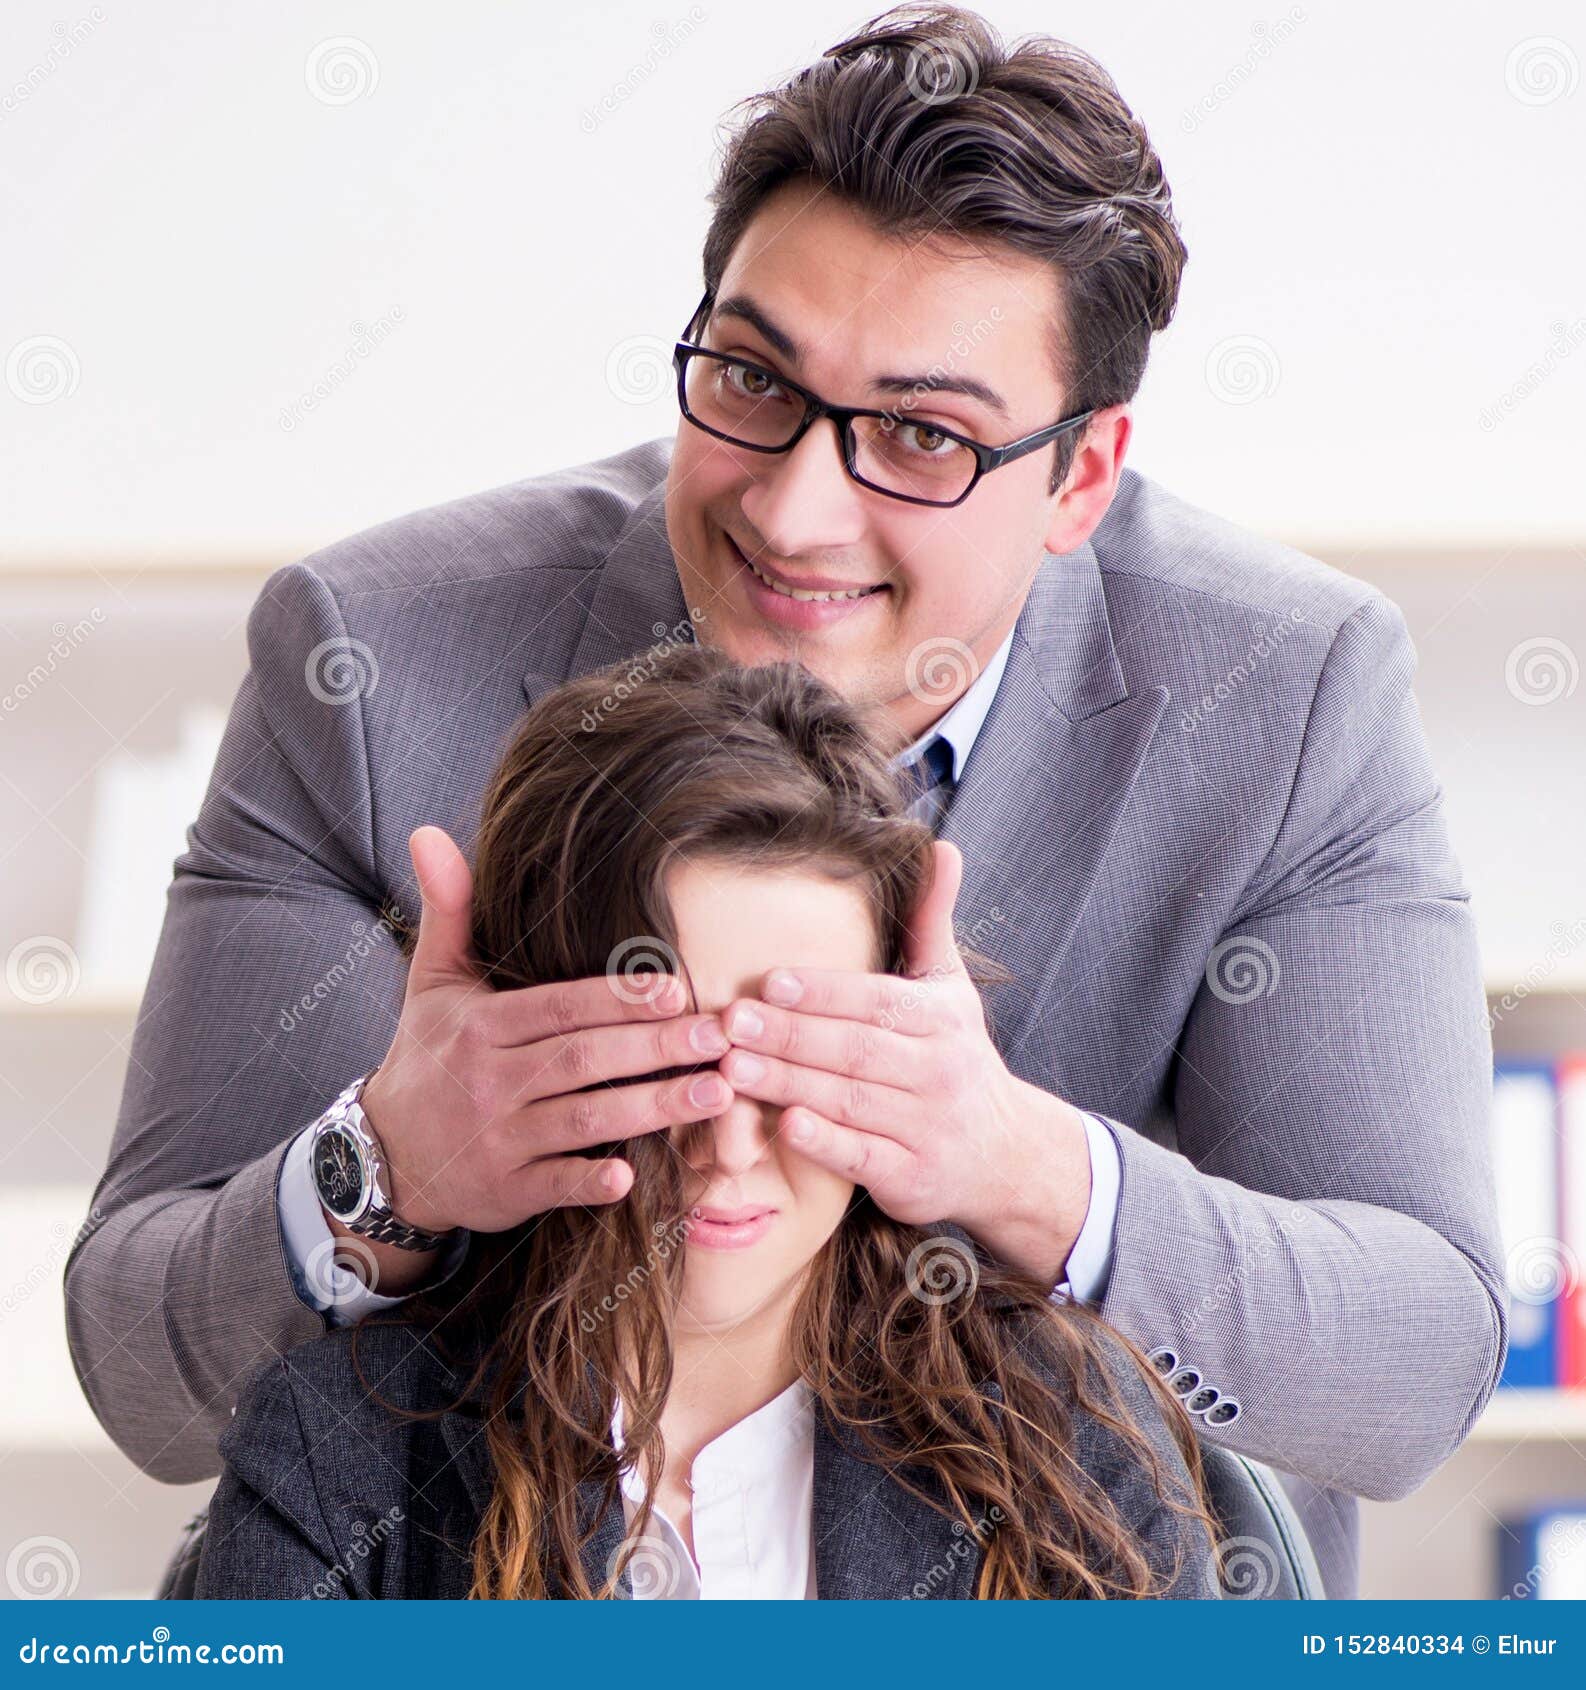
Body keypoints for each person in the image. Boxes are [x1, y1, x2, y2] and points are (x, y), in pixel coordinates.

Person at [67, 5, 1504, 1601]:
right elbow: (144, 1375)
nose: (793, 506)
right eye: (752, 378)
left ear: (1083, 477)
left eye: (920, 434)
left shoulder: (1282, 702)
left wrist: (1016, 1166)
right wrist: (380, 1169)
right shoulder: (374, 663)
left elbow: (1413, 1365)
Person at [194, 643, 1222, 1600]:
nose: (726, 1146)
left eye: (794, 1054)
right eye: (665, 1059)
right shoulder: (338, 1451)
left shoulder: (1065, 1434)